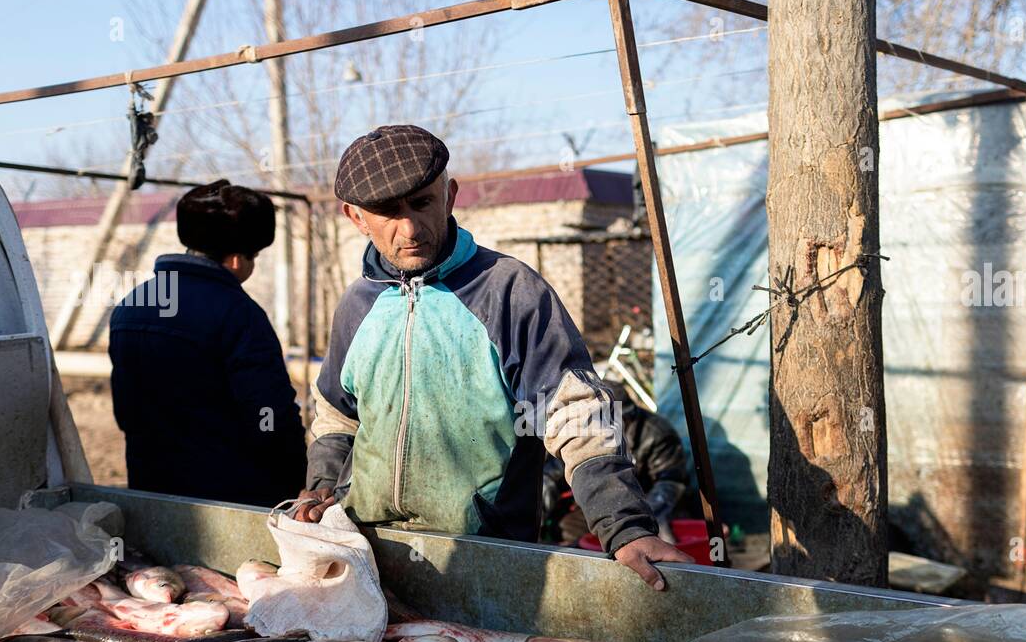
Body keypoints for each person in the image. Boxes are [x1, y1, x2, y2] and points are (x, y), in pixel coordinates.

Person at [296, 124, 690, 589]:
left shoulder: (509, 290)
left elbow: (574, 412)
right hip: (369, 554)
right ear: (356, 217)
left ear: (450, 195)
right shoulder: (357, 304)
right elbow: (338, 416)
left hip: (488, 557)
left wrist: (623, 526)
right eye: (386, 212)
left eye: (422, 203)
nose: (410, 228)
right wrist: (323, 487)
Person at [109, 179, 306, 507]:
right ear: (235, 260)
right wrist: (295, 479)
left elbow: (125, 412)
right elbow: (269, 415)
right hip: (231, 499)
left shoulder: (131, 305)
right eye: (254, 256)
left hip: (150, 490)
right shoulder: (240, 314)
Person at [543, 379, 688, 546]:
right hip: (600, 502)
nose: (606, 426)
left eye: (612, 420)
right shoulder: (582, 433)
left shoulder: (657, 433)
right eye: (600, 421)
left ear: (628, 416)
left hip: (649, 503)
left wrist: (636, 522)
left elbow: (670, 482)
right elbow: (551, 477)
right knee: (568, 530)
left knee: (662, 537)